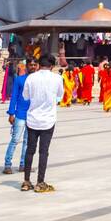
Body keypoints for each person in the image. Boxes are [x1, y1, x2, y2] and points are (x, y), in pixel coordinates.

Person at [20, 57, 65, 192]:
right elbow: (60, 95)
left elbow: (25, 96)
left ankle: (26, 181)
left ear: (39, 65)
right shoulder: (57, 78)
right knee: (43, 152)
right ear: (51, 66)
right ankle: (40, 182)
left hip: (32, 118)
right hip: (48, 120)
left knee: (30, 150)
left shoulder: (31, 78)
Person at [3, 58, 30, 174]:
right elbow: (14, 96)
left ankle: (23, 164)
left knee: (27, 141)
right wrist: (11, 112)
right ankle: (7, 164)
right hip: (20, 113)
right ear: (27, 67)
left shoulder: (37, 81)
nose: (33, 67)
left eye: (35, 65)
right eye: (31, 65)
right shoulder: (20, 80)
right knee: (15, 140)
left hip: (32, 115)